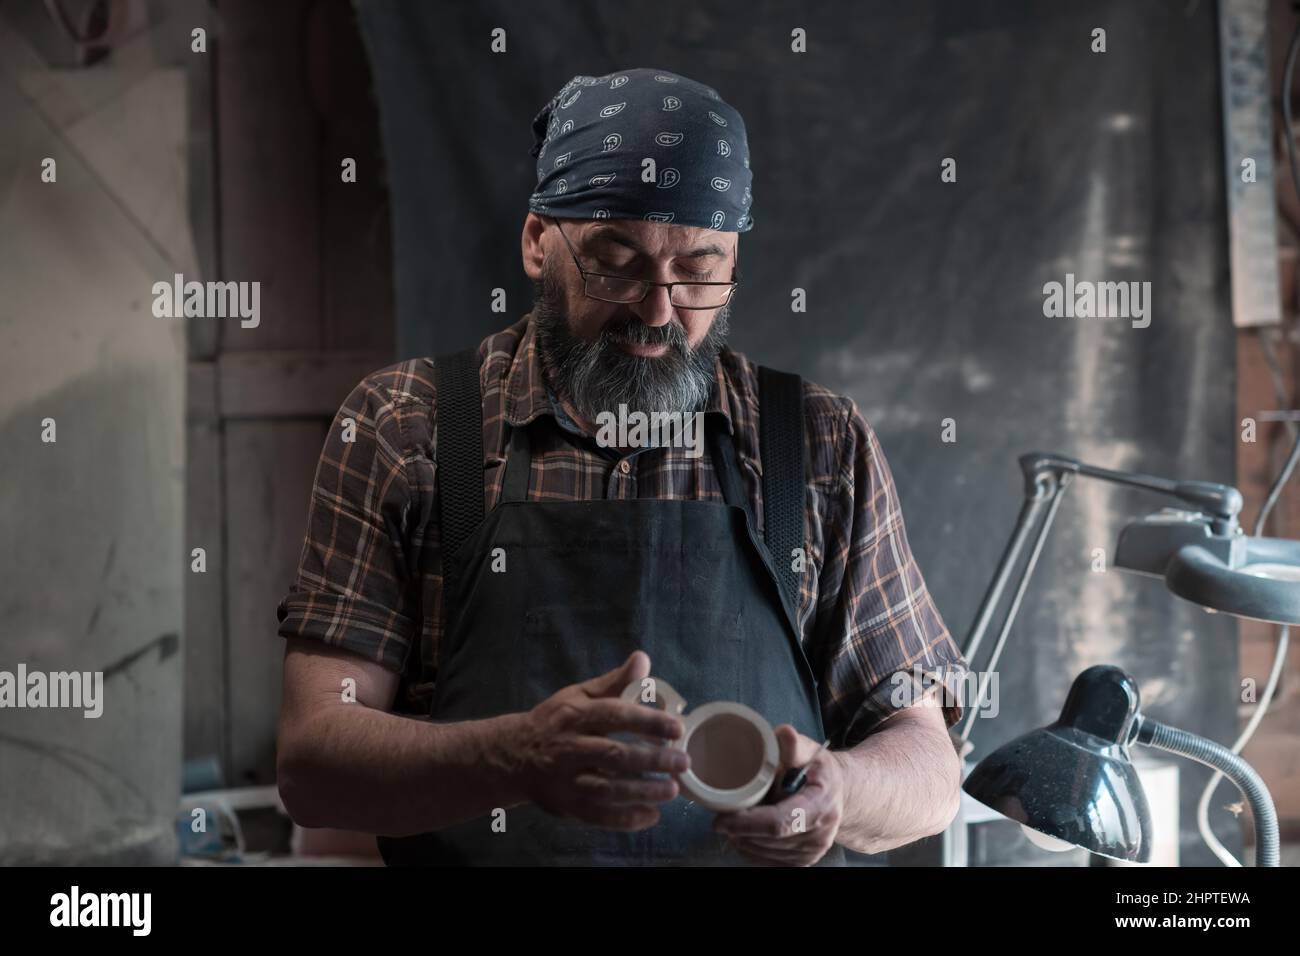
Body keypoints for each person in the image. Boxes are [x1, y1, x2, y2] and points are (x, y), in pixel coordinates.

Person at [275, 67, 968, 866]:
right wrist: (516, 756)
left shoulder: (814, 445)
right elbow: (313, 761)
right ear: (539, 242)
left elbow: (929, 769)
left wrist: (841, 789)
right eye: (618, 261)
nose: (658, 310)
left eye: (699, 269)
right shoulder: (408, 426)